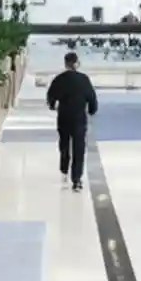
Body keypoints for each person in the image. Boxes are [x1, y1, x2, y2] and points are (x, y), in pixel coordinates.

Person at [46, 52, 98, 192]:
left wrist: (52, 105)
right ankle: (76, 179)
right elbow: (91, 97)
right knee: (78, 147)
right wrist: (92, 110)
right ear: (76, 63)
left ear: (65, 63)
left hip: (64, 116)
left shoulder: (59, 79)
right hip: (79, 117)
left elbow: (51, 96)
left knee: (64, 143)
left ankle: (64, 168)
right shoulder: (83, 79)